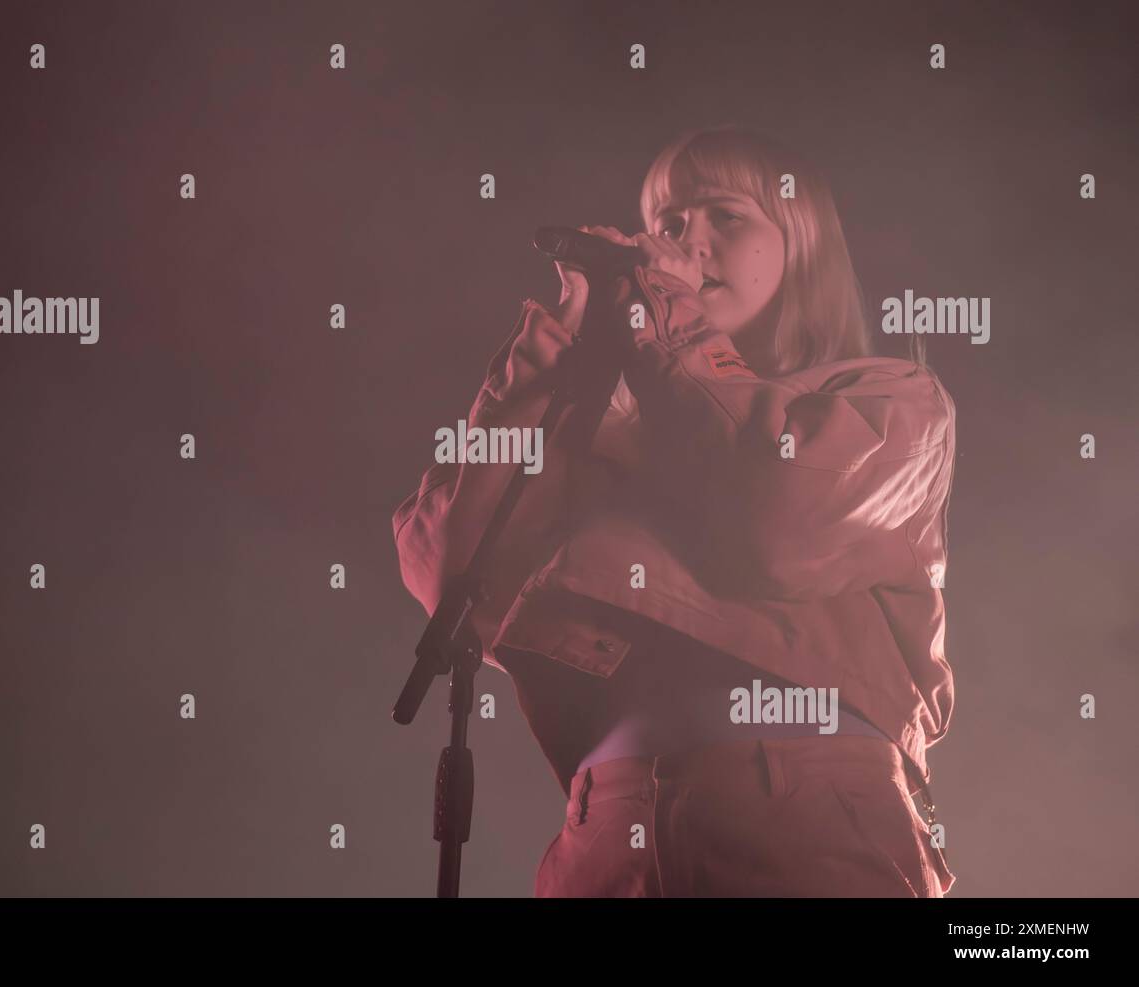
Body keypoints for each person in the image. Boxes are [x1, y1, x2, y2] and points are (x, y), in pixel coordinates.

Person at [392, 125, 958, 897]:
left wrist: (664, 310)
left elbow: (776, 519)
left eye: (726, 216)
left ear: (803, 245)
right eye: (668, 224)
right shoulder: (604, 439)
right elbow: (452, 577)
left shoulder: (893, 400)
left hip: (807, 826)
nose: (689, 242)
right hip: (605, 831)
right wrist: (556, 345)